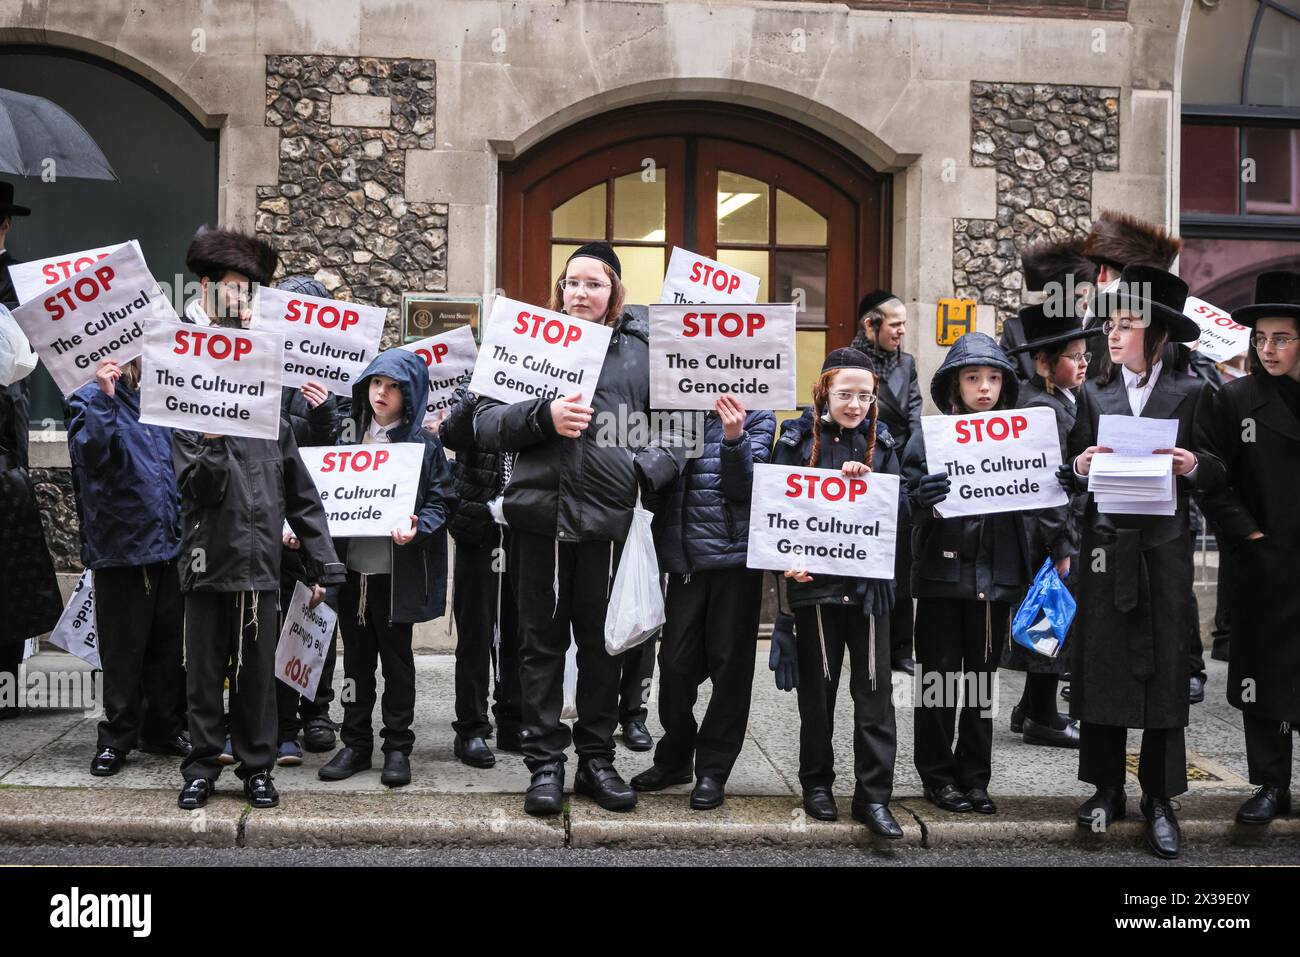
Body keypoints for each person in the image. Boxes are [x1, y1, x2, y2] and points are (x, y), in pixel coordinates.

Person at [474, 242, 684, 817]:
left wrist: (646, 470)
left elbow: (678, 426)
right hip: (538, 523)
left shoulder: (642, 353)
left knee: (601, 647)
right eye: (572, 283)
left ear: (614, 291)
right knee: (539, 646)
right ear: (559, 289)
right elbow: (483, 423)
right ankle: (545, 764)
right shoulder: (527, 344)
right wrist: (544, 417)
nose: (581, 294)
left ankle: (596, 759)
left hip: (608, 524)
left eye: (594, 284)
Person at [174, 226, 345, 811]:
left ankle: (256, 768)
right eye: (234, 289)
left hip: (261, 565)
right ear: (207, 289)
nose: (242, 301)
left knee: (255, 678)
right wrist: (213, 438)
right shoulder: (185, 399)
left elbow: (301, 490)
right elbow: (193, 486)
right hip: (205, 557)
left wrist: (324, 560)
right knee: (203, 674)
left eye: (250, 293)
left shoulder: (272, 408)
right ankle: (200, 767)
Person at [1065, 264, 1223, 859]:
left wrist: (1192, 466)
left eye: (1127, 324)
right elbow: (1067, 471)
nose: (1113, 333)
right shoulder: (1093, 393)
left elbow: (1218, 471)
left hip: (1163, 553)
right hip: (1106, 550)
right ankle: (1106, 790)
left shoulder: (1192, 393)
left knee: (1161, 674)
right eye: (1111, 322)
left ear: (1156, 334)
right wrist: (1080, 467)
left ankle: (1159, 798)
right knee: (1102, 665)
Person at [766, 349, 908, 837]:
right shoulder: (794, 439)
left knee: (874, 700)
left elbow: (898, 511)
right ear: (824, 390)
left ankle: (874, 798)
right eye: (845, 394)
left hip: (869, 595)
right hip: (816, 594)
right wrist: (787, 566)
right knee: (817, 697)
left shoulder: (884, 442)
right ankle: (817, 785)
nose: (855, 405)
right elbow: (777, 509)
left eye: (864, 396)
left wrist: (876, 487)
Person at [904, 332, 1032, 816]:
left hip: (993, 582)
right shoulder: (929, 435)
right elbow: (906, 503)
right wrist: (922, 498)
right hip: (941, 578)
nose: (984, 387)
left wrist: (1063, 484)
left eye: (994, 377)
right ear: (955, 385)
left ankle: (975, 778)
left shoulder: (1021, 437)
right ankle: (937, 778)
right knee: (938, 682)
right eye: (973, 377)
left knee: (981, 684)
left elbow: (1039, 502)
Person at [630, 396, 774, 810]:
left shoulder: (759, 416)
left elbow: (745, 488)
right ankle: (675, 758)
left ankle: (713, 770)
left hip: (734, 562)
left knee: (730, 670)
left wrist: (734, 438)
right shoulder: (676, 412)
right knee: (674, 665)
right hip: (684, 562)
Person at [317, 349, 452, 788]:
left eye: (393, 387)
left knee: (397, 665)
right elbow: (321, 495)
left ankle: (397, 747)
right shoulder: (346, 435)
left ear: (409, 394)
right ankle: (356, 744)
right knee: (354, 665)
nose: (382, 393)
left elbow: (440, 501)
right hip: (352, 574)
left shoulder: (426, 446)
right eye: (377, 383)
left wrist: (419, 527)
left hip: (397, 578)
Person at [1194, 270, 1300, 825]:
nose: (1268, 348)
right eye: (1261, 338)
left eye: (1281, 337)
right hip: (1263, 563)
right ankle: (1269, 785)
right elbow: (1212, 478)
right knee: (1265, 674)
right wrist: (1247, 534)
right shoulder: (1235, 398)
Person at [68, 358, 190, 775]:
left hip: (168, 544)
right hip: (122, 547)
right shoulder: (88, 397)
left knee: (167, 646)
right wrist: (103, 399)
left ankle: (161, 728)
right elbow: (89, 455)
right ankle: (117, 736)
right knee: (123, 651)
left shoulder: (162, 397)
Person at [1001, 305, 1104, 748]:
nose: (1084, 364)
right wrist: (1061, 545)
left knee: (1050, 613)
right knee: (1051, 616)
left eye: (1085, 355)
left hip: (1047, 529)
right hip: (1047, 532)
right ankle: (1042, 717)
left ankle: (1029, 708)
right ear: (1043, 363)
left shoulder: (1057, 398)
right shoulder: (1045, 408)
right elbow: (1048, 488)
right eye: (1073, 356)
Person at [271, 275, 345, 765]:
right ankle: (279, 719)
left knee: (318, 612)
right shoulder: (260, 368)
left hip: (315, 519)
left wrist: (324, 416)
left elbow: (338, 457)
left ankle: (317, 710)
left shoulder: (334, 379)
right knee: (274, 619)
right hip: (268, 519)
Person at [439, 384, 522, 768]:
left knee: (519, 631)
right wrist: (473, 398)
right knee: (476, 633)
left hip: (526, 527)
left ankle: (513, 719)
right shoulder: (476, 386)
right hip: (479, 527)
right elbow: (452, 436)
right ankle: (470, 729)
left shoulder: (549, 384)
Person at [851, 290, 920, 675]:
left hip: (896, 466)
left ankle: (901, 647)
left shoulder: (907, 364)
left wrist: (902, 466)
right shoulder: (849, 364)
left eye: (904, 324)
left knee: (901, 563)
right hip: (859, 466)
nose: (901, 331)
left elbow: (913, 415)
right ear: (870, 324)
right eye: (895, 324)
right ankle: (862, 635)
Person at [1001, 239, 1097, 382]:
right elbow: (1009, 383)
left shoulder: (1101, 329)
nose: (1085, 304)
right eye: (1077, 298)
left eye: (1088, 296)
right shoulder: (1016, 331)